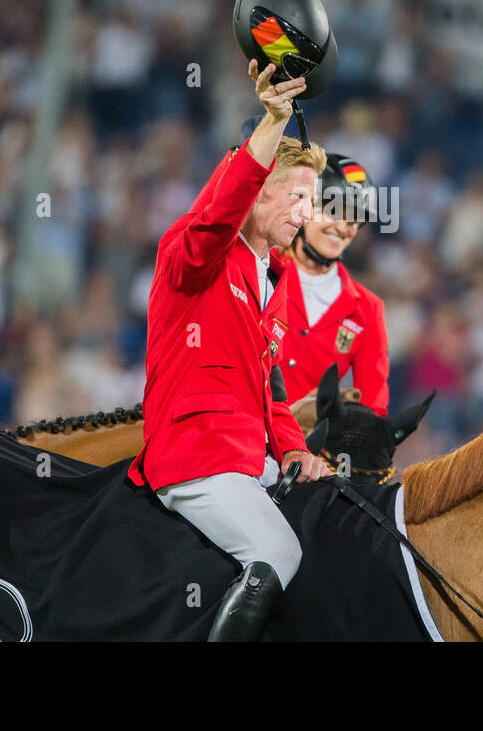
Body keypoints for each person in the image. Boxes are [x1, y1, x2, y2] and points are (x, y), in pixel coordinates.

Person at [128, 60, 333, 641]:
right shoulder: (193, 251)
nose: (307, 214)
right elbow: (218, 212)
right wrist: (273, 121)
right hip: (195, 458)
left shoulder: (277, 276)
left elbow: (273, 393)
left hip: (249, 461)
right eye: (297, 196)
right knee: (278, 551)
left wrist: (294, 453)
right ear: (258, 188)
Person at [278, 153, 390, 417]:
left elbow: (372, 409)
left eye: (354, 219)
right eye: (333, 211)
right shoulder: (261, 269)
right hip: (238, 438)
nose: (343, 227)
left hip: (308, 450)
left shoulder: (368, 311)